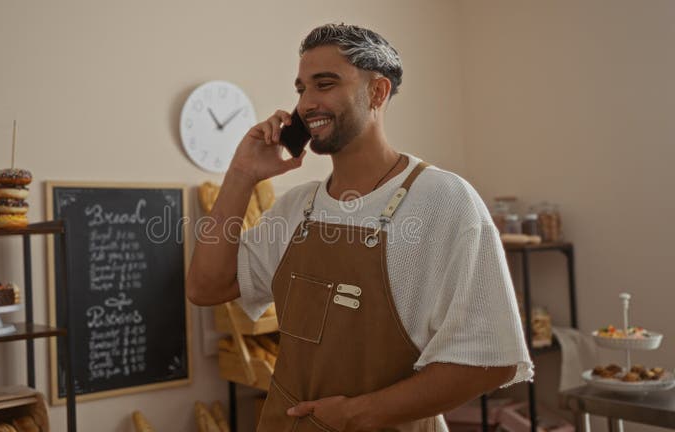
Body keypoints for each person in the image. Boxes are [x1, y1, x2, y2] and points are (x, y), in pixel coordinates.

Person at [187, 23, 533, 432]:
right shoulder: (298, 206)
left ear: (377, 92)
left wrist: (356, 415)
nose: (306, 103)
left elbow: (491, 360)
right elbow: (205, 288)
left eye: (325, 84)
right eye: (301, 89)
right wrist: (242, 174)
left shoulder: (444, 200)